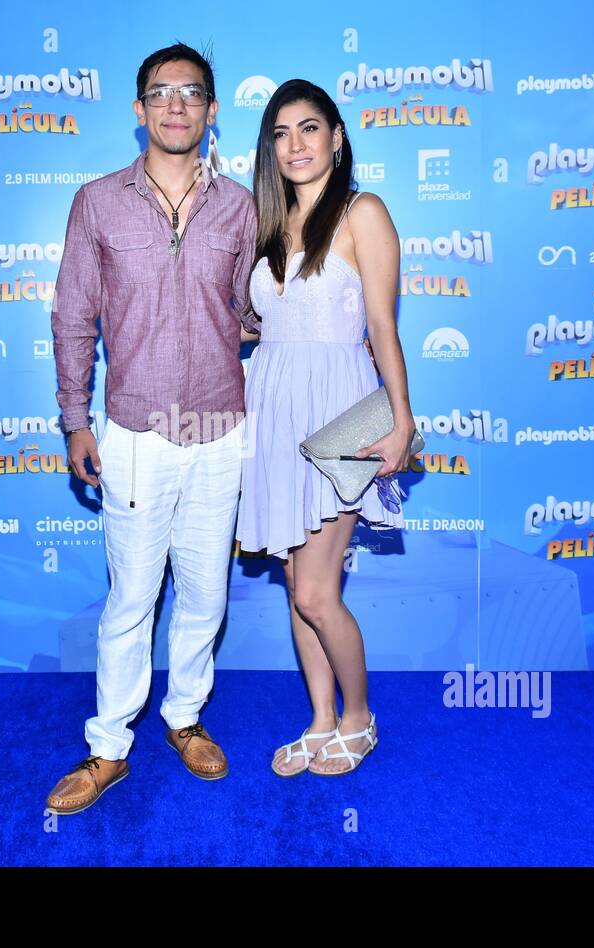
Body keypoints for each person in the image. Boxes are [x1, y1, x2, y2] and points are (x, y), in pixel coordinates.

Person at [44, 43, 259, 814]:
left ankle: (185, 717)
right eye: (160, 94)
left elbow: (251, 312)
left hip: (221, 430)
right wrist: (75, 419)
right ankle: (109, 747)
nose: (176, 106)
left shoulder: (242, 207)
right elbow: (73, 316)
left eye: (191, 93)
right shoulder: (97, 202)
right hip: (134, 432)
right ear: (139, 111)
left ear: (210, 111)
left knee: (205, 593)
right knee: (131, 598)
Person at [234, 78, 415, 777]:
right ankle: (318, 719)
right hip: (273, 408)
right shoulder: (268, 227)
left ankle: (359, 716)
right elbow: (268, 323)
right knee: (293, 579)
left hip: (340, 410)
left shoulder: (363, 212)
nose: (295, 145)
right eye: (281, 134)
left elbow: (381, 327)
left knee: (317, 591)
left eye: (309, 128)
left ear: (337, 138)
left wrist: (401, 421)